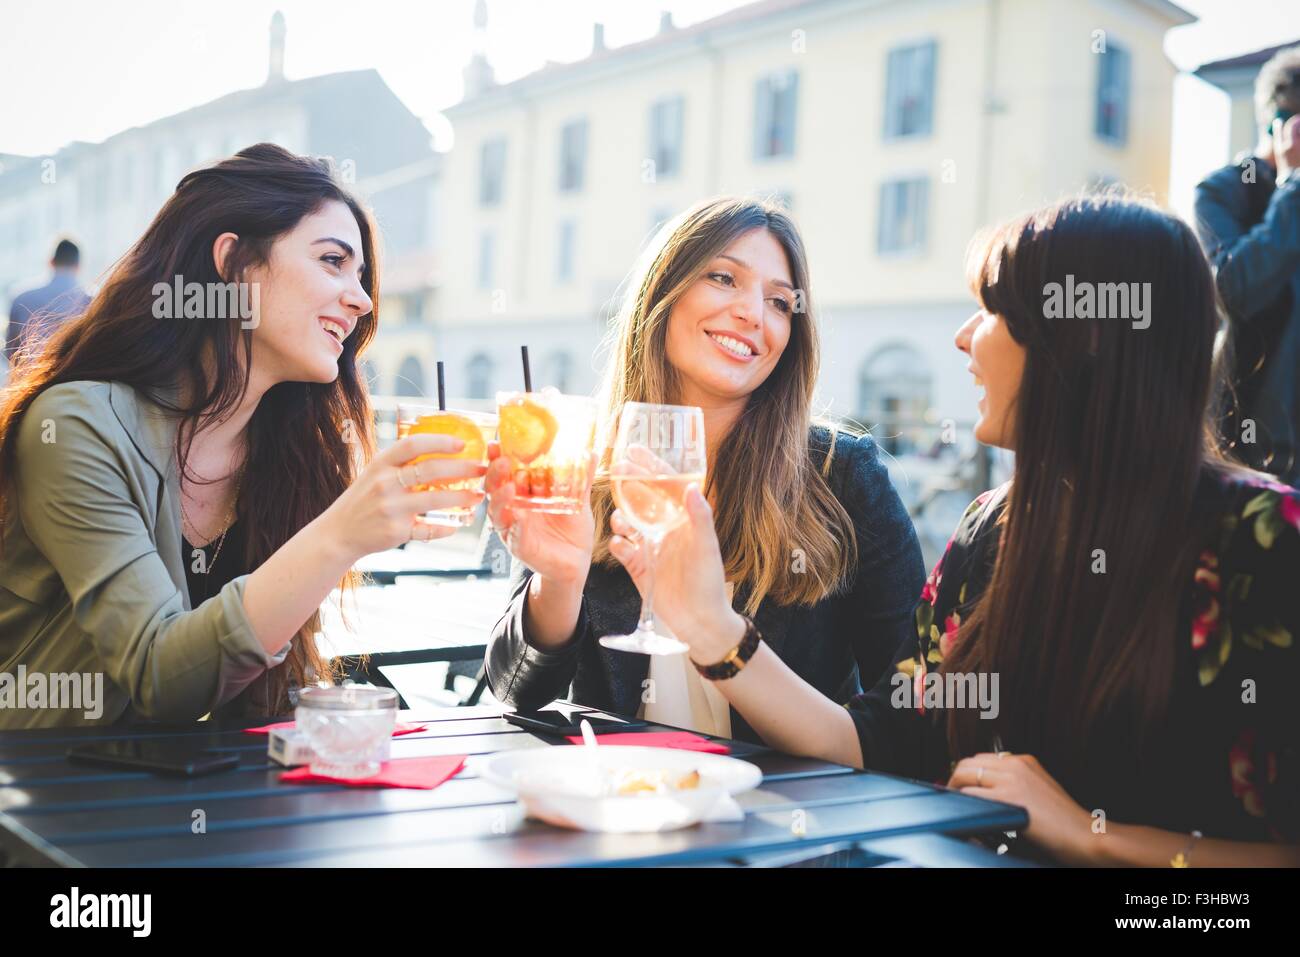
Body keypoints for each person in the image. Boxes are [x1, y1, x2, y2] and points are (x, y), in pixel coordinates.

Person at [616, 193, 1299, 866]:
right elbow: (880, 742)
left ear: (1085, 332)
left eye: (994, 309)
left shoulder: (1262, 537)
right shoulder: (991, 530)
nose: (964, 335)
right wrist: (713, 628)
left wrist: (1092, 835)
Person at [0, 144, 484, 730]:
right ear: (232, 266)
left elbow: (267, 701)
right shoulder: (77, 427)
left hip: (197, 804)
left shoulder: (290, 455)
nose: (362, 300)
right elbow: (158, 673)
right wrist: (340, 534)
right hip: (47, 806)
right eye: (333, 261)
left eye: (361, 278)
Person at [483, 196, 924, 745]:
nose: (752, 314)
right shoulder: (586, 459)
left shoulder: (842, 474)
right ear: (661, 294)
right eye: (723, 278)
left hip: (790, 817)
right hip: (623, 809)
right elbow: (514, 693)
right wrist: (560, 580)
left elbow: (912, 713)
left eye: (780, 303)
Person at [1194, 45, 1300, 483]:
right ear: (1284, 125)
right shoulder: (1223, 192)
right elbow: (1236, 289)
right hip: (1253, 453)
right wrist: (1294, 184)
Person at [5, 239, 92, 366]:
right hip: (74, 379)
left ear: (51, 262)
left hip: (29, 379)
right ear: (78, 266)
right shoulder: (93, 300)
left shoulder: (21, 297)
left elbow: (11, 350)